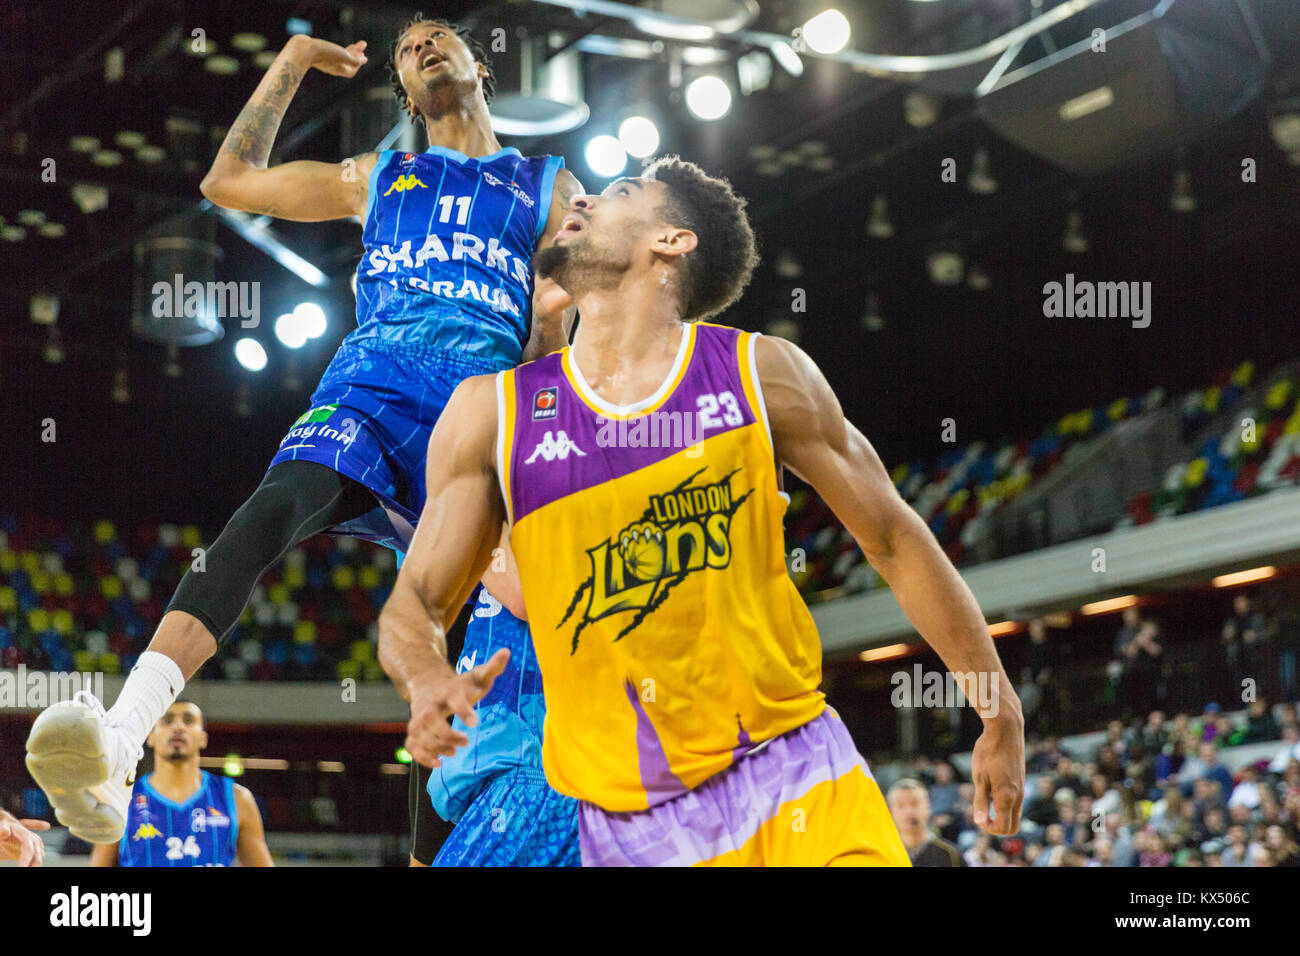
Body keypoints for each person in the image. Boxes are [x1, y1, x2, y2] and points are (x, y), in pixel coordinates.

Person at [25, 16, 582, 845]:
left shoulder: (546, 183)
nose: (423, 45)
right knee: (269, 511)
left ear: (478, 63)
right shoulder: (382, 172)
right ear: (402, 88)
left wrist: (547, 340)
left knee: (462, 663)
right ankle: (123, 735)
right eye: (407, 47)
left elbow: (552, 344)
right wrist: (290, 61)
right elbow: (229, 181)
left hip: (475, 423)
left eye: (439, 35)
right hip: (369, 390)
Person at [377, 156, 1025, 865]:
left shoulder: (762, 374)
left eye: (621, 192)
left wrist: (999, 709)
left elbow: (895, 539)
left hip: (795, 779)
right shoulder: (491, 415)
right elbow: (415, 601)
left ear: (672, 241)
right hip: (629, 832)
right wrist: (425, 676)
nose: (586, 197)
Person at [89, 701, 272, 867]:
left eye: (188, 720)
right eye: (167, 721)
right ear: (150, 737)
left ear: (203, 738)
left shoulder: (237, 799)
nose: (178, 727)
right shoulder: (123, 799)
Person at [886, 779, 965, 866]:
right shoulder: (881, 854)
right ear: (890, 812)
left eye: (914, 804)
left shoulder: (951, 855)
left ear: (928, 807)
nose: (909, 811)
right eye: (901, 805)